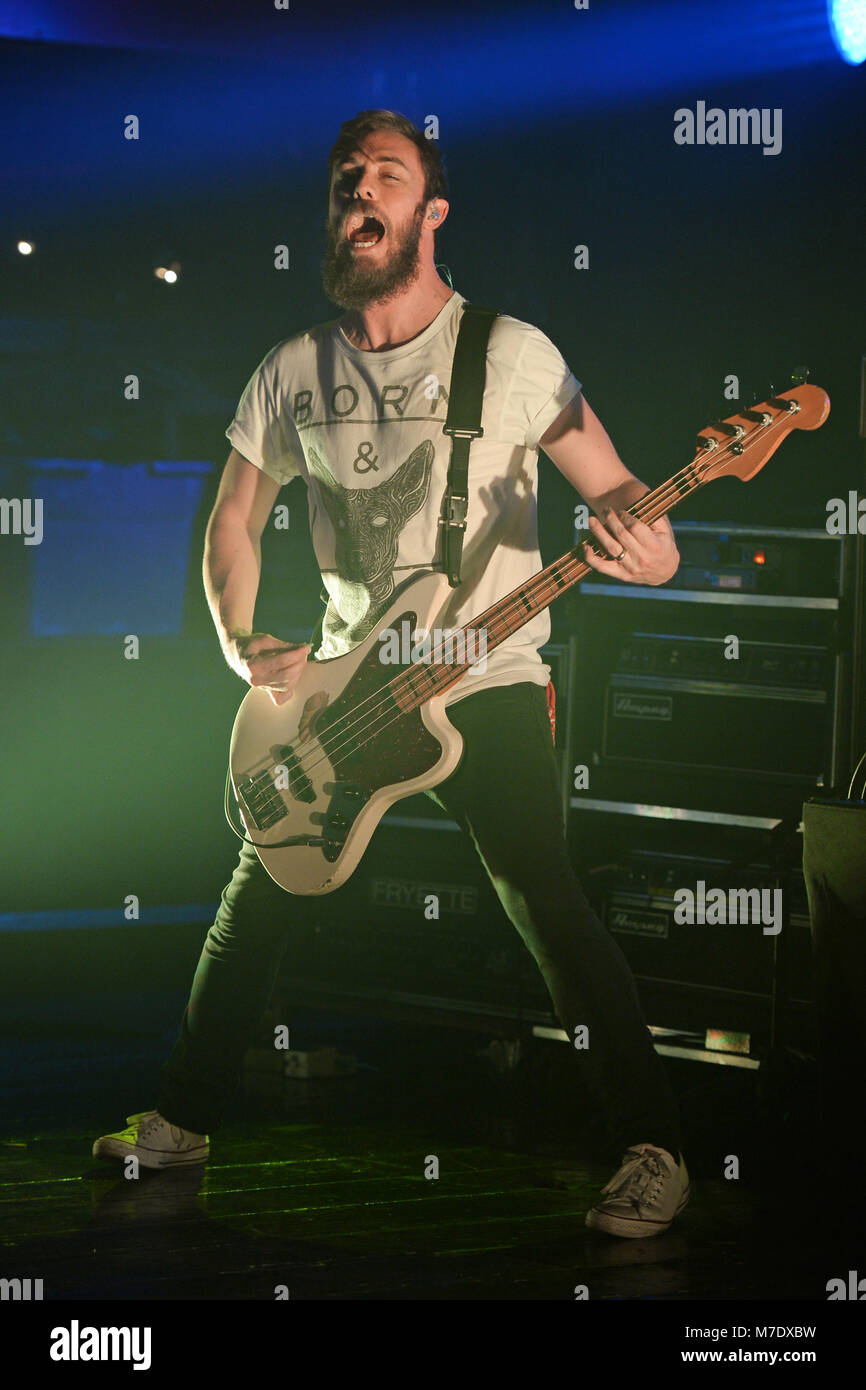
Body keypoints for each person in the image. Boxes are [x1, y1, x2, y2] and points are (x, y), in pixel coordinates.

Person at [93, 110, 689, 1239]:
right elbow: (233, 518)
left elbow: (620, 495)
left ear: (430, 213)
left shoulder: (510, 354)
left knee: (537, 888)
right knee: (253, 895)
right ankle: (179, 1120)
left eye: (383, 175)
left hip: (486, 670)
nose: (355, 190)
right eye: (340, 178)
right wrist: (238, 637)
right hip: (347, 683)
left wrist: (648, 551)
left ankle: (654, 1147)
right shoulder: (292, 371)